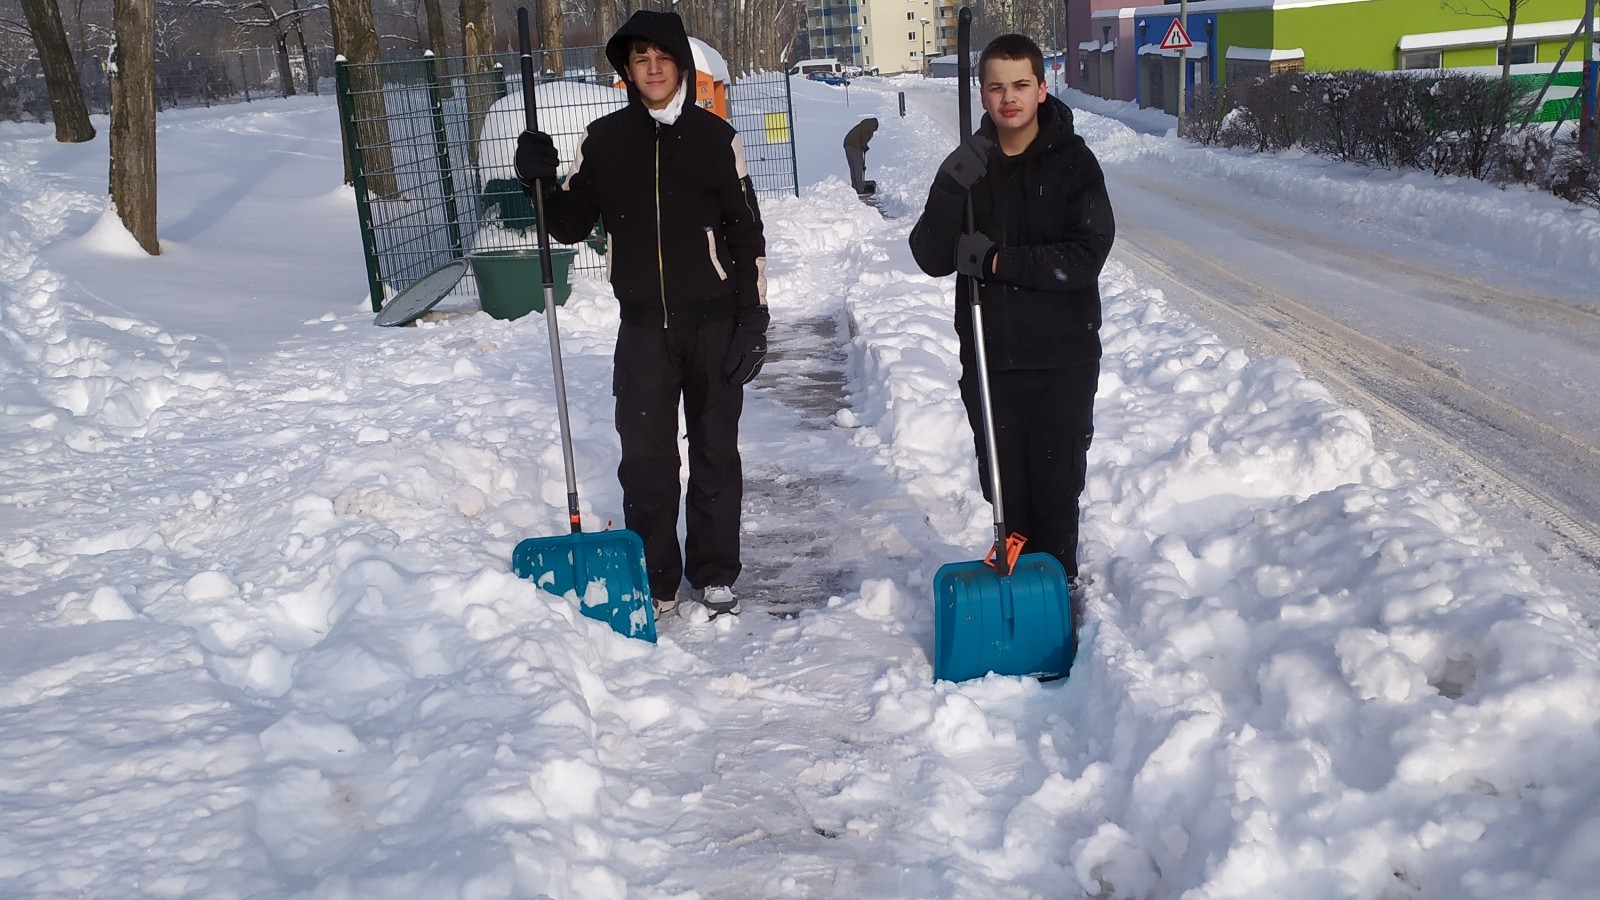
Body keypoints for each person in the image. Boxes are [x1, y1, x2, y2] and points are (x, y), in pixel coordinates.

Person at [514, 10, 768, 622]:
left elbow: (746, 236)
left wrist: (753, 318)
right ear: (627, 69)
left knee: (714, 452)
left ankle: (713, 575)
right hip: (643, 328)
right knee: (647, 458)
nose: (651, 67)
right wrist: (538, 181)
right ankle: (656, 579)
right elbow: (572, 223)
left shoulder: (715, 139)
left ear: (680, 63)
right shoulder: (604, 141)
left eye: (662, 56)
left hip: (713, 323)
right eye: (639, 58)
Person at [908, 33, 1115, 599]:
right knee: (1004, 489)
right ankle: (1018, 592)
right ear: (981, 94)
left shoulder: (1074, 164)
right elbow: (928, 255)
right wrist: (953, 184)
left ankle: (1056, 591)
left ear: (1042, 88)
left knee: (1055, 484)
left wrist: (998, 260)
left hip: (1063, 358)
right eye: (996, 87)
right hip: (991, 354)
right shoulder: (968, 169)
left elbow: (1085, 256)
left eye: (1021, 85)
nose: (1009, 99)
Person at [843, 117, 878, 196]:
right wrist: (864, 145)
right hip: (854, 146)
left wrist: (864, 146)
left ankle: (855, 187)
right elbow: (863, 138)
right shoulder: (866, 128)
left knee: (853, 168)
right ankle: (860, 189)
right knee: (858, 167)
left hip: (848, 144)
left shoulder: (862, 126)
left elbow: (862, 138)